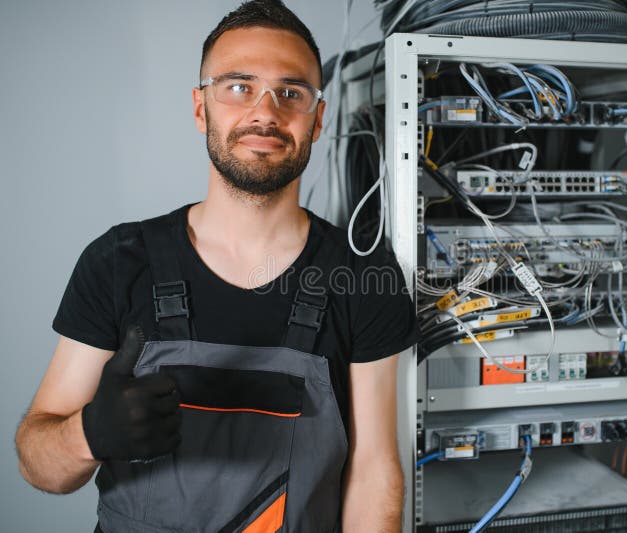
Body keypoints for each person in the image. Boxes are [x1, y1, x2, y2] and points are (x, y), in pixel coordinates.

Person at [14, 1, 419, 531]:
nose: (265, 112)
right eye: (238, 86)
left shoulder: (364, 275)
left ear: (317, 120)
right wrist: (88, 434)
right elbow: (39, 466)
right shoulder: (117, 262)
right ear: (201, 107)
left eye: (291, 93)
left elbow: (374, 476)